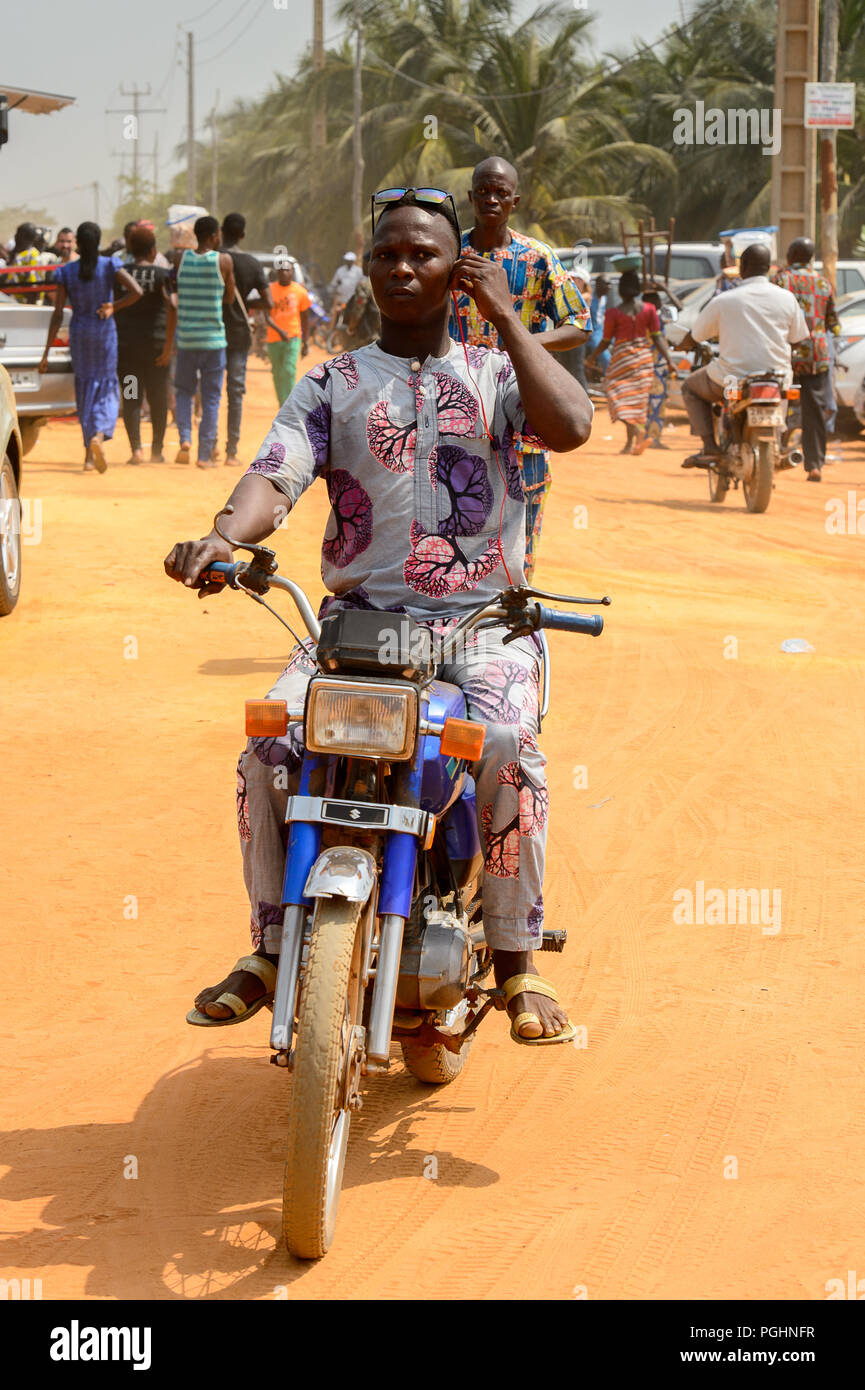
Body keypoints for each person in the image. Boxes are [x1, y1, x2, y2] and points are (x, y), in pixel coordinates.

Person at [164, 187, 593, 1045]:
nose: (403, 268)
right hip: (358, 629)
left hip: (482, 629)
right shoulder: (332, 383)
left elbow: (572, 423)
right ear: (367, 269)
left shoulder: (498, 374)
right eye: (388, 254)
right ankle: (273, 946)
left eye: (423, 255)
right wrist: (221, 536)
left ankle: (515, 964)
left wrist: (504, 316)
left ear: (454, 269)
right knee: (269, 744)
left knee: (507, 750)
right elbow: (273, 477)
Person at [448, 157, 589, 579]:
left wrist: (523, 345)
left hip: (520, 404)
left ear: (515, 200)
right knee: (453, 513)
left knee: (523, 518)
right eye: (484, 191)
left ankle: (515, 611)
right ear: (471, 197)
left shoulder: (538, 258)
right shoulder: (451, 253)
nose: (492, 199)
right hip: (455, 404)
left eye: (501, 193)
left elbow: (578, 326)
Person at [677, 243, 810, 470]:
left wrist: (682, 345)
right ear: (768, 268)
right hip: (777, 378)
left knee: (690, 387)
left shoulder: (725, 300)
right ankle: (778, 445)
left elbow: (696, 335)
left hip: (731, 379)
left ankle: (709, 446)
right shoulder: (787, 299)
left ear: (742, 268)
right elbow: (799, 339)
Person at [37, 222, 142, 471]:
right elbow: (136, 291)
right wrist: (113, 306)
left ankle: (87, 456)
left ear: (78, 245)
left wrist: (45, 352)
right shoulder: (109, 266)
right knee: (106, 386)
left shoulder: (67, 271)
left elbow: (57, 313)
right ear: (97, 242)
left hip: (80, 334)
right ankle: (98, 435)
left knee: (85, 388)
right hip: (104, 331)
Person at [585, 270, 676, 454]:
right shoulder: (650, 309)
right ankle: (632, 443)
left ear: (620, 291)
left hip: (622, 359)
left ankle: (637, 433)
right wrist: (669, 360)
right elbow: (657, 338)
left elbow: (605, 341)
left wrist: (592, 357)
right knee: (637, 402)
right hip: (644, 359)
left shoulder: (613, 313)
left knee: (616, 395)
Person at [771, 237, 839, 482]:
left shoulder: (781, 280)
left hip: (784, 352)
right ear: (810, 258)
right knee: (815, 411)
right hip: (816, 356)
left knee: (773, 404)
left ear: (790, 256)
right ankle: (814, 465)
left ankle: (770, 454)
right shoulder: (824, 283)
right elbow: (834, 324)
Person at [174, 215, 236, 469]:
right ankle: (203, 455)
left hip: (186, 339)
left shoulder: (180, 259)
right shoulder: (223, 260)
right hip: (214, 340)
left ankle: (185, 438)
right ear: (214, 236)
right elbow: (230, 298)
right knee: (211, 399)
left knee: (184, 392)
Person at [115, 223, 176, 464]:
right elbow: (172, 307)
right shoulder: (164, 275)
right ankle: (157, 451)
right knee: (157, 397)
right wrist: (169, 347)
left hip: (128, 349)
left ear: (130, 250)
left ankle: (136, 451)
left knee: (132, 397)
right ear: (153, 251)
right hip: (157, 348)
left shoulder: (120, 273)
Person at [219, 212, 274, 467]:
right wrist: (248, 302)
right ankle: (231, 450)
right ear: (242, 235)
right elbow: (268, 302)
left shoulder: (213, 259)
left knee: (206, 392)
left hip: (211, 331)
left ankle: (205, 449)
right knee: (235, 392)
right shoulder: (251, 264)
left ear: (220, 231)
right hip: (239, 333)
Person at [264, 259, 310, 404]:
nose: (284, 272)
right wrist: (279, 331)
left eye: (287, 270)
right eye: (281, 270)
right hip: (273, 338)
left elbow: (305, 319)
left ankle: (289, 404)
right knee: (277, 372)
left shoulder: (300, 292)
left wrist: (306, 342)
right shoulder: (270, 290)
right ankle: (281, 403)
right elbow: (267, 316)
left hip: (293, 337)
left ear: (292, 273)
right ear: (277, 273)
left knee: (289, 370)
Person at [641, 288, 673, 449]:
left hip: (653, 365)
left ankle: (649, 437)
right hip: (654, 365)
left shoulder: (649, 316)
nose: (661, 303)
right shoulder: (652, 318)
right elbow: (657, 340)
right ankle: (652, 438)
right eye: (657, 300)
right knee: (655, 402)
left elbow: (678, 308)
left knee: (653, 402)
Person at [342, 249, 380, 345]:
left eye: (363, 264)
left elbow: (358, 310)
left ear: (368, 265)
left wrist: (350, 328)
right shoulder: (391, 283)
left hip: (370, 337)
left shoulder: (365, 285)